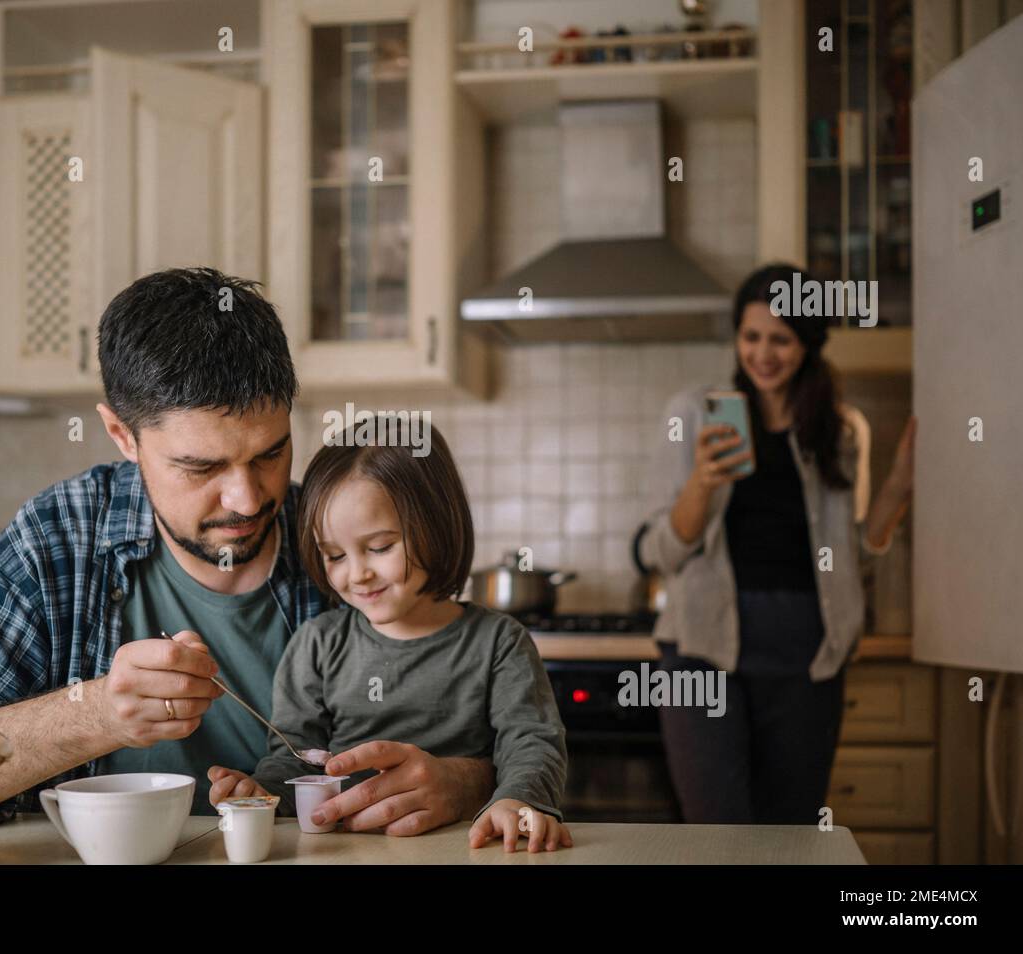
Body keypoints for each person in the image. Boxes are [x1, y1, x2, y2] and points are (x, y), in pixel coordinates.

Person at [0, 267, 496, 829]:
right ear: (123, 434)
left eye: (271, 453)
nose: (248, 498)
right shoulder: (60, 537)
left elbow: (498, 736)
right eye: (201, 468)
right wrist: (96, 714)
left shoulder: (341, 539)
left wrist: (464, 782)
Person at [207, 420, 571, 852]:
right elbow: (294, 759)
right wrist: (258, 793)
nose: (357, 574)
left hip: (467, 848)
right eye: (335, 555)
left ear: (436, 524)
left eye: (380, 547)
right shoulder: (317, 644)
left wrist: (520, 800)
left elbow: (532, 742)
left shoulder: (499, 642)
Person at [637, 263, 915, 824]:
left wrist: (899, 485)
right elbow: (655, 554)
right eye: (751, 336)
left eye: (781, 339)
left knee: (791, 836)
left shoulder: (834, 431)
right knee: (719, 837)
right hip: (703, 656)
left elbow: (848, 559)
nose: (763, 353)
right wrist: (702, 484)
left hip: (808, 659)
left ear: (808, 343)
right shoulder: (693, 415)